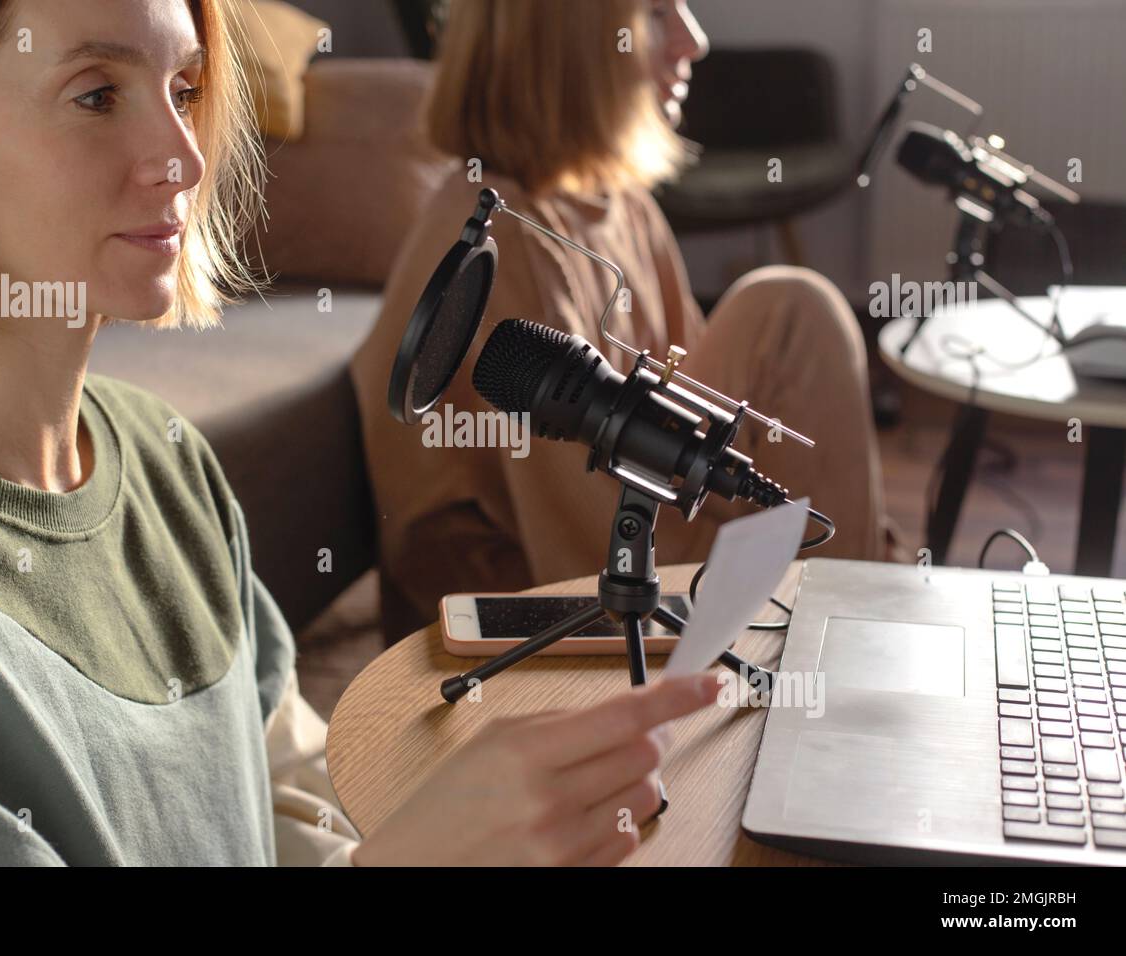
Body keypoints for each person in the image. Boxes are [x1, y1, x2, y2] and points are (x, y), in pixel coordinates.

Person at [0, 0, 720, 867]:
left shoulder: (162, 456)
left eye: (183, 90)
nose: (181, 158)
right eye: (96, 94)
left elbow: (285, 802)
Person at [352, 0, 890, 641]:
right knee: (792, 311)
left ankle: (860, 605)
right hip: (532, 620)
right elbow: (591, 558)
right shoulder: (502, 244)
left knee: (786, 313)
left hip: (634, 542)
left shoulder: (620, 201)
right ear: (567, 42)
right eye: (657, 14)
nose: (694, 42)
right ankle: (857, 628)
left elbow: (694, 422)